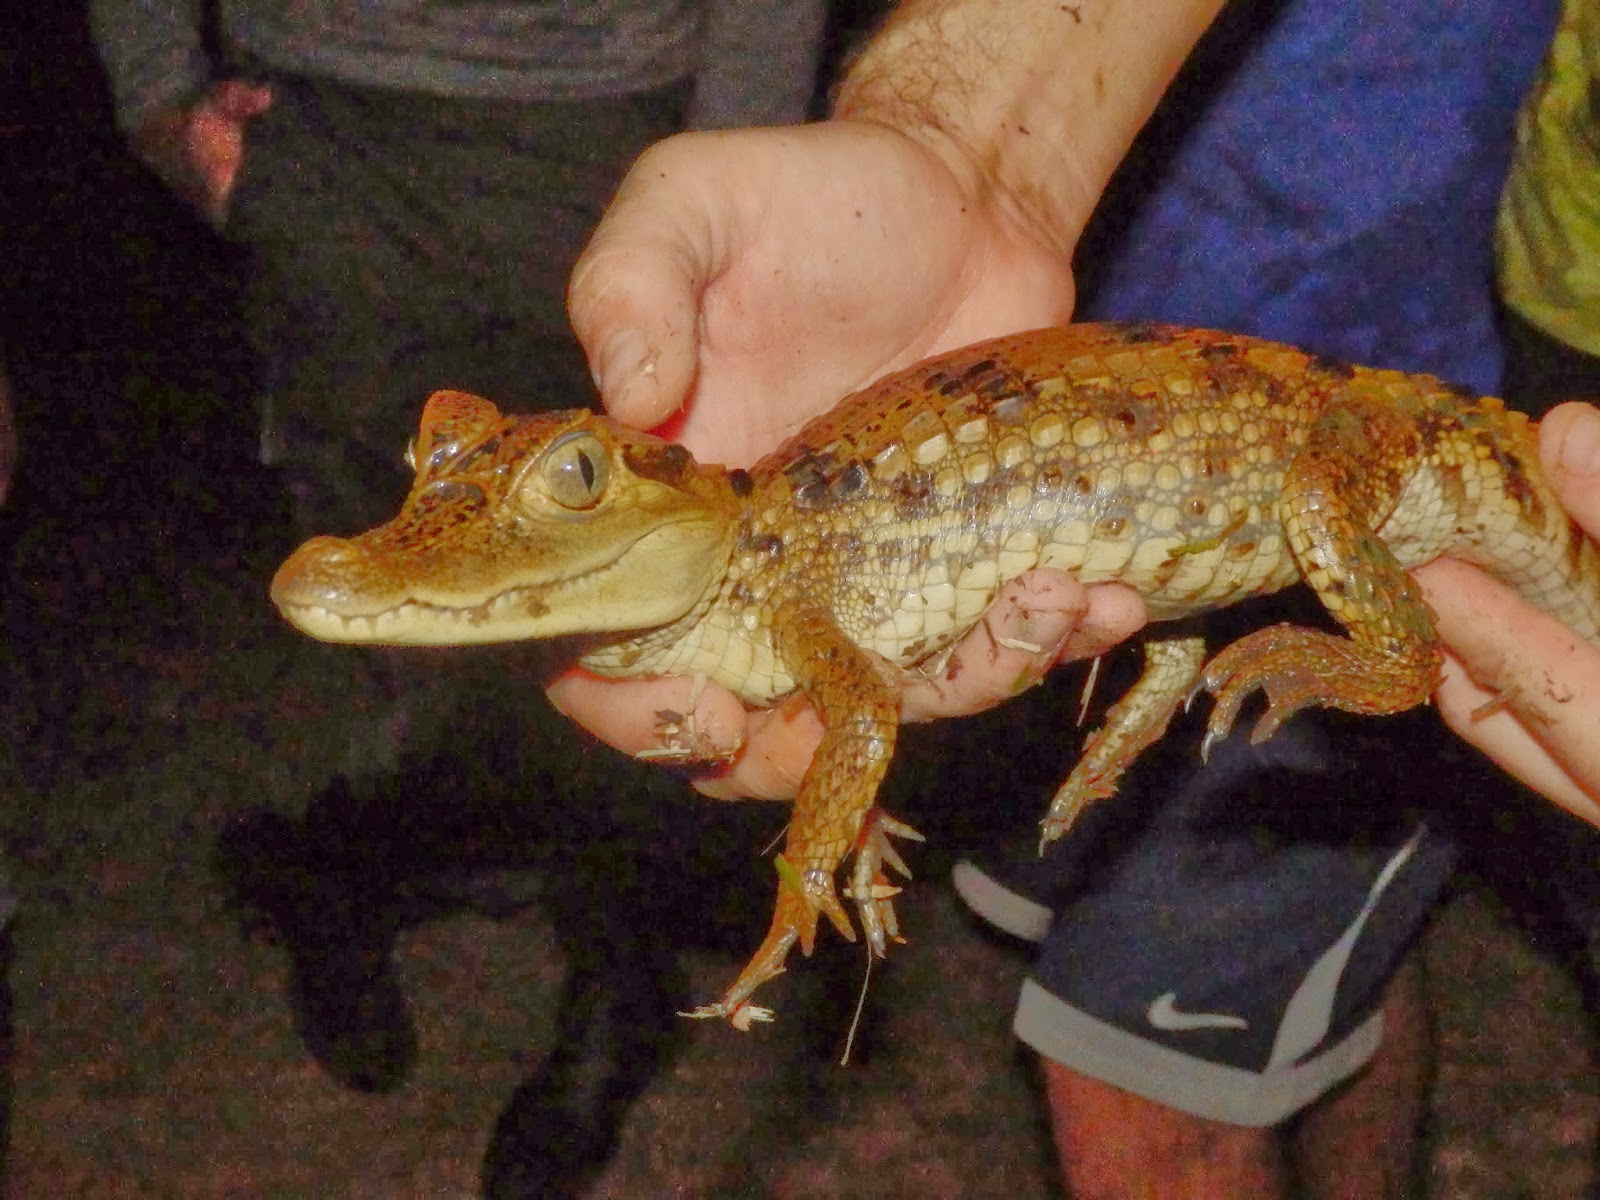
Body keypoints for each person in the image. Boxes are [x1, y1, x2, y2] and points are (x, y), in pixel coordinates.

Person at [551, 0, 1585, 1196]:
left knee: (1142, 1051)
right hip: (1152, 344)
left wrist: (1376, 656)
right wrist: (962, 154)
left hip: (1405, 314)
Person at [89, 3, 826, 1197]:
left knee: (636, 634)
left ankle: (614, 985)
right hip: (329, 128)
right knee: (370, 595)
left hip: (613, 132)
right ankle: (341, 877)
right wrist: (159, 96)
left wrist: (737, 159)